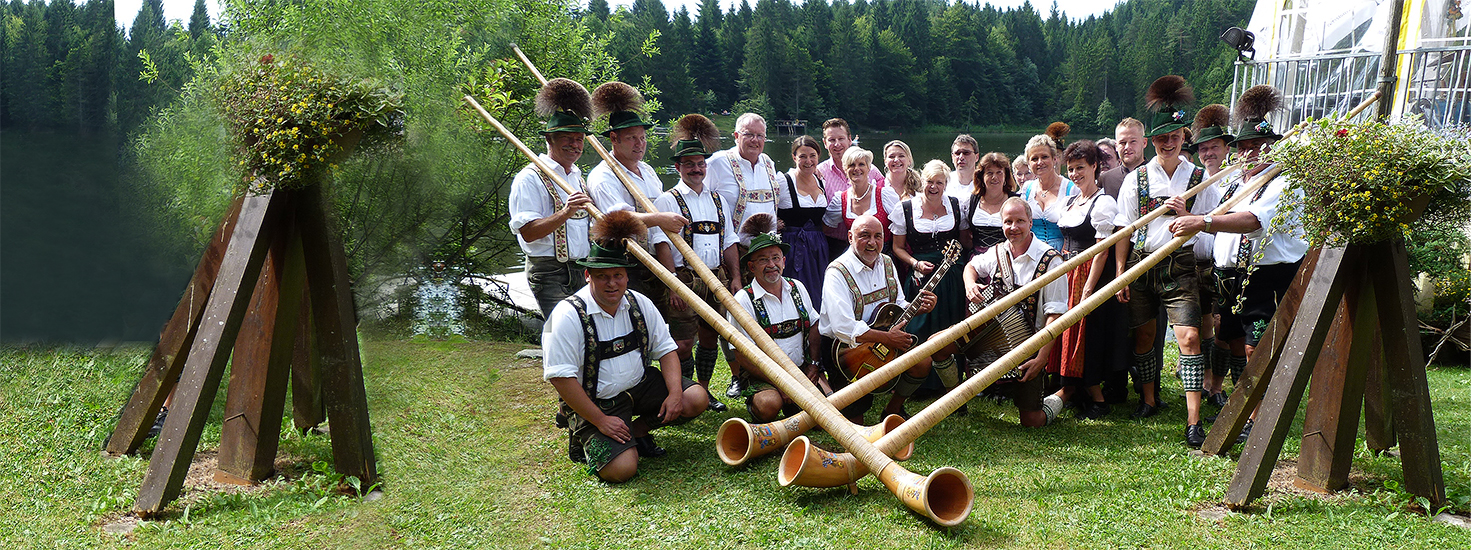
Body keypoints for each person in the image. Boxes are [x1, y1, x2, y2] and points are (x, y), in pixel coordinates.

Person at [1171, 84, 1306, 446]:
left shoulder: (1283, 182)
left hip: (1265, 276)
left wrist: (1203, 222)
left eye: (1257, 146)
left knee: (1254, 347)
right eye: (1244, 147)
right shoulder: (1235, 183)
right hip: (1230, 277)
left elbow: (1252, 221)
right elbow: (1217, 215)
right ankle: (1241, 407)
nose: (1250, 153)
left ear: (1272, 147)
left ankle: (1258, 417)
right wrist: (1188, 213)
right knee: (1231, 341)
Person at [542, 211, 708, 481]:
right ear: (588, 275)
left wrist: (675, 393)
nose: (612, 283)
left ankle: (637, 431)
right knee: (622, 470)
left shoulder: (640, 303)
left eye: (617, 275)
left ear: (626, 276)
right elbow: (560, 378)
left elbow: (667, 350)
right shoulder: (565, 315)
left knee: (696, 398)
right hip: (596, 401)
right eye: (602, 276)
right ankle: (581, 428)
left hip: (640, 388)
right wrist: (600, 420)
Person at [1113, 75, 1214, 447]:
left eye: (1174, 137)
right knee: (1144, 335)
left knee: (1189, 336)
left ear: (1183, 137)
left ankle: (1193, 420)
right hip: (1141, 264)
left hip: (1180, 265)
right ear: (1152, 141)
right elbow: (1123, 229)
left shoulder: (1200, 178)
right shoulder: (1136, 179)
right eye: (1160, 139)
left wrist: (1189, 215)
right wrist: (1121, 273)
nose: (1168, 143)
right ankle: (1149, 399)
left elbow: (1212, 224)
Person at [654, 119, 741, 413]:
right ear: (678, 167)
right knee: (681, 343)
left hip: (716, 277)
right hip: (685, 279)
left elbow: (729, 240)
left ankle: (703, 390)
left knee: (710, 336)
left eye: (700, 164)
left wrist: (735, 277)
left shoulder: (718, 200)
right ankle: (685, 392)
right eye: (689, 164)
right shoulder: (667, 200)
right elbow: (661, 244)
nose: (696, 169)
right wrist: (673, 285)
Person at [962, 198, 1068, 427]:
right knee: (938, 344)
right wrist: (970, 284)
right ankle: (958, 403)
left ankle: (1065, 393)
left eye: (1019, 221)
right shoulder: (997, 252)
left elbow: (1055, 315)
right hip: (993, 340)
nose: (1013, 227)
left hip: (1029, 347)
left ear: (1030, 222)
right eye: (1008, 221)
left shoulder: (1051, 261)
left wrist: (1041, 358)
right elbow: (971, 266)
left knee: (1032, 421)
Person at [820, 215, 937, 421]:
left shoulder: (887, 262)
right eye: (864, 236)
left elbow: (898, 303)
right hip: (844, 349)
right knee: (856, 417)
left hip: (885, 337)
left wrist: (918, 308)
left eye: (878, 236)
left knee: (922, 362)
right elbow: (842, 327)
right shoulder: (837, 272)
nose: (872, 243)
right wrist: (888, 339)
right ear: (850, 237)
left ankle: (892, 410)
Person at [586, 82, 686, 300]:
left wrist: (671, 272)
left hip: (656, 261)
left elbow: (659, 230)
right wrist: (659, 218)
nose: (640, 144)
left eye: (642, 138)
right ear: (614, 139)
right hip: (624, 263)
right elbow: (618, 219)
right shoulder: (602, 176)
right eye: (632, 138)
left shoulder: (648, 171)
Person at [1050, 140, 1126, 420]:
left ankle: (1098, 399)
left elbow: (1101, 251)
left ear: (1095, 166)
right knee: (1067, 331)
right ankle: (1073, 390)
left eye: (1080, 167)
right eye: (1071, 169)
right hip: (1067, 273)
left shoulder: (1103, 202)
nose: (1075, 174)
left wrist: (1088, 288)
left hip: (1089, 274)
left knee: (1087, 335)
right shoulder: (1071, 201)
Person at [510, 78, 595, 319]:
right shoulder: (529, 178)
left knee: (584, 330)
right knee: (563, 328)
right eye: (567, 138)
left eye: (579, 139)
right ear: (549, 139)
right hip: (548, 271)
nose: (575, 144)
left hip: (582, 269)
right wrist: (565, 212)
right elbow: (528, 232)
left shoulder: (577, 177)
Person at [889, 160, 969, 403]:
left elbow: (964, 241)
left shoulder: (955, 206)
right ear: (921, 181)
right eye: (929, 182)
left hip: (952, 276)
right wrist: (915, 263)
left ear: (946, 184)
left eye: (939, 183)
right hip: (921, 276)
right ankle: (917, 380)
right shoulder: (905, 208)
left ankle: (949, 383)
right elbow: (897, 248)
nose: (933, 187)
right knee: (918, 326)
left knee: (948, 325)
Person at [727, 231, 825, 422]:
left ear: (784, 261)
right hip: (763, 376)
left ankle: (795, 405)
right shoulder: (743, 300)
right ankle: (761, 404)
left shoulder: (797, 287)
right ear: (751, 266)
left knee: (823, 415)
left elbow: (814, 325)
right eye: (763, 260)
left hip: (800, 370)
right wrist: (779, 383)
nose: (771, 265)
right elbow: (740, 353)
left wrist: (813, 365)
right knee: (769, 405)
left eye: (775, 258)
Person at [1186, 104, 1237, 407]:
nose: (1208, 153)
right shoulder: (1195, 181)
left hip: (1225, 263)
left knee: (1222, 325)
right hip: (1198, 261)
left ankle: (1217, 384)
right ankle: (1206, 379)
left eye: (1214, 147)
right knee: (1203, 322)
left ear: (1226, 148)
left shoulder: (1238, 178)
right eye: (1203, 149)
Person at [706, 112, 779, 265]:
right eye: (749, 134)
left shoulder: (768, 163)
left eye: (760, 136)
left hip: (766, 253)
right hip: (730, 254)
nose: (755, 140)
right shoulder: (717, 163)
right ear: (736, 136)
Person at [817, 118, 886, 253]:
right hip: (835, 245)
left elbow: (884, 201)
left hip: (872, 245)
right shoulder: (819, 173)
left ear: (850, 140)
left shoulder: (871, 170)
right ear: (825, 143)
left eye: (841, 139)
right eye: (832, 140)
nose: (837, 144)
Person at [777, 135, 830, 310]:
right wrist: (773, 222)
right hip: (793, 246)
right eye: (802, 156)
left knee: (820, 292)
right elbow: (768, 207)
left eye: (812, 156)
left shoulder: (821, 180)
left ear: (818, 156)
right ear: (794, 157)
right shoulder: (783, 181)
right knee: (796, 294)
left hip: (818, 247)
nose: (808, 161)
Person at [823, 146, 901, 245]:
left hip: (883, 250)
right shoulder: (841, 200)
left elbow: (901, 226)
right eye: (851, 165)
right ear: (845, 169)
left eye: (861, 164)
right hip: (855, 252)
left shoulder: (884, 195)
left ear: (868, 168)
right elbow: (826, 227)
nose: (856, 169)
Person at [1019, 124, 1079, 250]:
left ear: (1054, 159)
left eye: (1044, 157)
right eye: (1034, 159)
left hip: (1061, 251)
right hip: (1032, 250)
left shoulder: (1071, 189)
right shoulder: (1027, 189)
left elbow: (1075, 232)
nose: (1040, 162)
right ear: (1029, 164)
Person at [967, 152, 1020, 257]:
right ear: (982, 176)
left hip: (1007, 257)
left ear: (1005, 176)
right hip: (977, 258)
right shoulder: (973, 200)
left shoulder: (1015, 201)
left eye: (999, 172)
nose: (994, 177)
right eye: (989, 173)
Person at [1099, 118, 1147, 199]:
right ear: (1116, 146)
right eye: (1122, 143)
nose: (1127, 147)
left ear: (1144, 143)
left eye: (1133, 141)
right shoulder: (1106, 180)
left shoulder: (1156, 175)